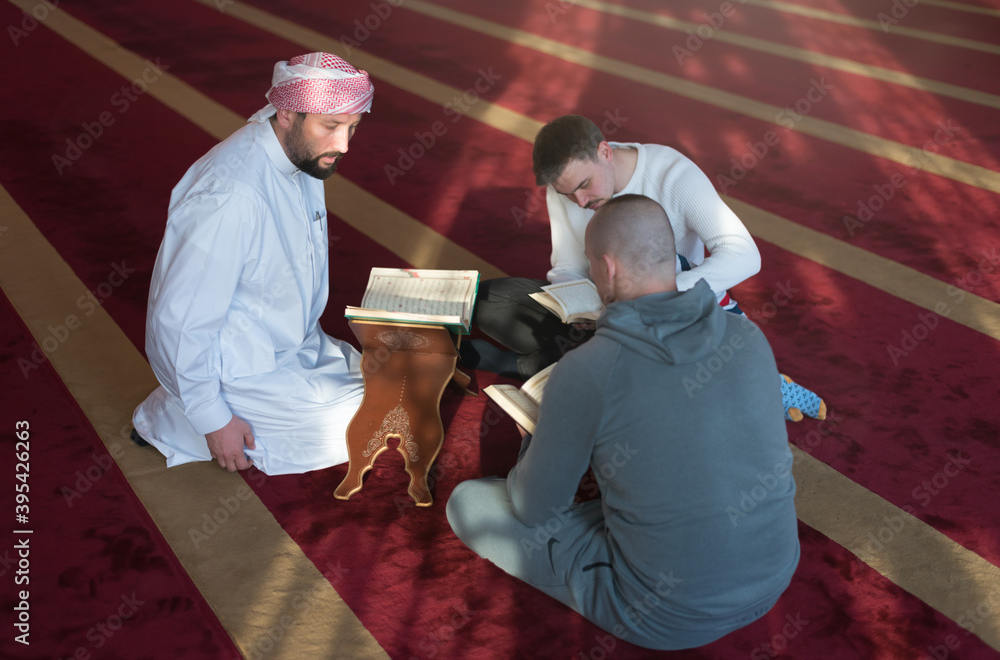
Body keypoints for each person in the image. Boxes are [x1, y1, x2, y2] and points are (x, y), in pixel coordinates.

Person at [447, 194, 800, 650]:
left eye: (591, 266)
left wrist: (533, 442)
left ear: (607, 268)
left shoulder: (591, 367)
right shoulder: (748, 335)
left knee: (469, 504)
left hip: (671, 614)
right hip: (775, 574)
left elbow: (535, 509)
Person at [463, 114, 824, 421]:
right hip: (604, 309)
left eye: (585, 186)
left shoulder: (673, 174)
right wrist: (578, 307)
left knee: (652, 385)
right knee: (489, 301)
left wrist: (659, 295)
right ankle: (562, 358)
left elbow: (745, 254)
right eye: (568, 195)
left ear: (605, 152)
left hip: (674, 316)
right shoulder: (570, 190)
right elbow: (568, 268)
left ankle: (525, 366)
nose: (581, 202)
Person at [131, 52, 374, 474]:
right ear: (286, 114)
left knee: (396, 389)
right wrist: (213, 418)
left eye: (352, 127)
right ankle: (185, 417)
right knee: (364, 425)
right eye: (331, 126)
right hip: (237, 369)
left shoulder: (300, 156)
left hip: (287, 347)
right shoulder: (232, 195)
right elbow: (180, 318)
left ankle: (187, 404)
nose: (343, 145)